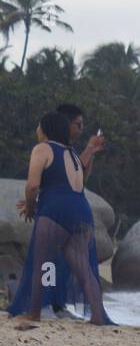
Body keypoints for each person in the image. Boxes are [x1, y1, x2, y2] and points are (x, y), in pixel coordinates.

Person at [7, 112, 112, 324]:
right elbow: (76, 182)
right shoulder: (72, 154)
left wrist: (29, 206)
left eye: (38, 126)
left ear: (45, 129)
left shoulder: (42, 148)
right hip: (81, 210)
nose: (37, 130)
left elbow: (33, 185)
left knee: (42, 263)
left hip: (55, 210)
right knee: (84, 269)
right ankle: (98, 317)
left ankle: (34, 312)